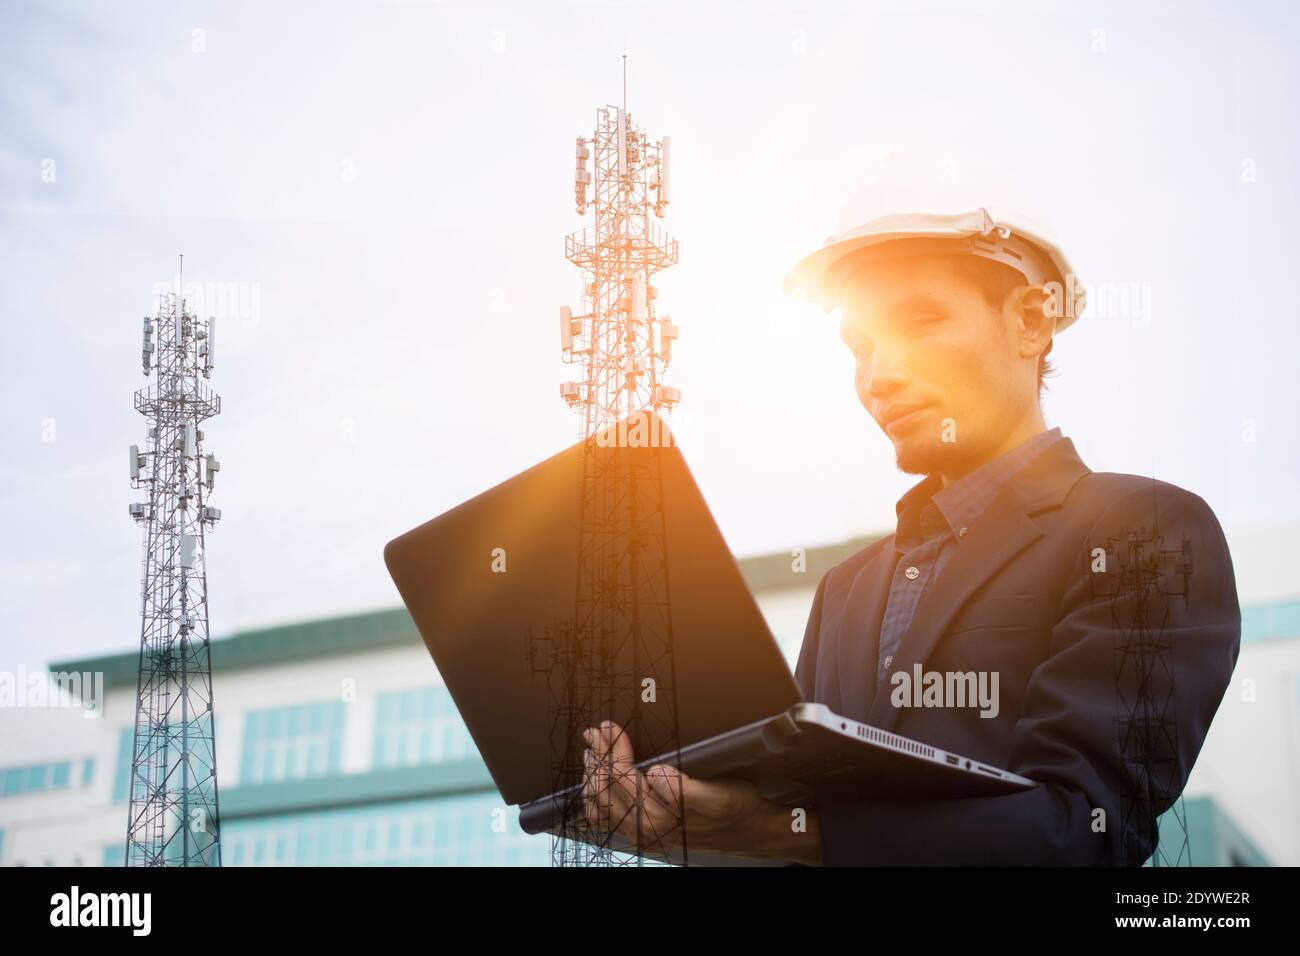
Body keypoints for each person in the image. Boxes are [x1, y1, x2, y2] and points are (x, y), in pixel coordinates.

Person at [580, 151, 1241, 865]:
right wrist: (691, 812)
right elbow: (798, 821)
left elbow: (1083, 829)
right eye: (860, 346)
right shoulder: (845, 592)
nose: (880, 375)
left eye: (920, 322)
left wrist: (783, 835)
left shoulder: (1144, 532)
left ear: (1030, 323)